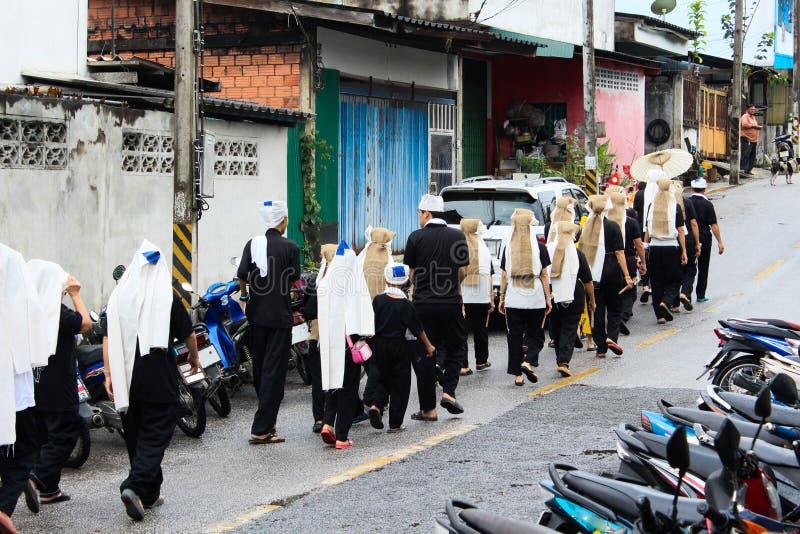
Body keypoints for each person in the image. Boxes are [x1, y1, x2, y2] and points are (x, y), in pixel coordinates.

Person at [102, 241, 200, 521]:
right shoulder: (166, 296)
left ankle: (149, 493)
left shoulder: (120, 294)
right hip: (157, 374)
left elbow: (108, 336)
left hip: (127, 375)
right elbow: (189, 334)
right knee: (157, 433)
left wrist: (109, 374)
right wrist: (193, 359)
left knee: (136, 432)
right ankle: (133, 486)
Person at [237, 200, 300, 445]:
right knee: (274, 372)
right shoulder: (290, 247)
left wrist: (244, 296)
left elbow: (242, 275)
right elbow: (294, 278)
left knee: (262, 368)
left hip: (256, 314)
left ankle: (267, 422)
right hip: (280, 316)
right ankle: (261, 428)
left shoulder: (252, 244)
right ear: (282, 221)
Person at [404, 194, 469, 418]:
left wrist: (422, 283)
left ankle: (428, 409)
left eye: (419, 214)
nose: (419, 218)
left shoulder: (415, 238)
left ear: (426, 213)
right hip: (451, 302)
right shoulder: (458, 235)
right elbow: (463, 271)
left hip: (422, 304)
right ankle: (449, 392)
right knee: (456, 346)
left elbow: (411, 273)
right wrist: (450, 283)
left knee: (425, 352)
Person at [30, 273, 91, 504]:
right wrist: (76, 295)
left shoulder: (30, 310)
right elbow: (85, 323)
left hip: (35, 383)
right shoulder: (56, 312)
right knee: (66, 433)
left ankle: (49, 490)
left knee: (43, 435)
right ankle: (36, 478)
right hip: (59, 384)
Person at [317, 241, 374, 450]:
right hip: (349, 345)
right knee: (349, 389)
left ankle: (327, 424)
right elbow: (363, 314)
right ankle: (342, 437)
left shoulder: (326, 282)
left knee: (333, 384)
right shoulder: (354, 284)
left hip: (329, 343)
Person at [368, 264, 435, 432]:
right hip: (400, 346)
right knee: (400, 383)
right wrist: (428, 345)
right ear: (406, 282)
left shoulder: (378, 300)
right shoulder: (406, 305)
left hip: (379, 344)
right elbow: (417, 329)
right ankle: (395, 423)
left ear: (385, 279)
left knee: (383, 377)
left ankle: (376, 405)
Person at [498, 209, 552, 386]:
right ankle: (528, 361)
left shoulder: (508, 248)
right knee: (534, 332)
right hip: (535, 296)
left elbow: (504, 275)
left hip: (514, 296)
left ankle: (518, 375)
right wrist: (548, 298)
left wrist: (502, 297)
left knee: (514, 335)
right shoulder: (540, 247)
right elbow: (544, 274)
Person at [578, 195, 634, 359]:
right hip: (611, 271)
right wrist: (627, 275)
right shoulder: (612, 226)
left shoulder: (586, 227)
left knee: (595, 309)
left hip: (591, 274)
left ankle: (601, 347)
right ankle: (612, 337)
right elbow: (619, 252)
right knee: (615, 307)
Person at [547, 221, 595, 377]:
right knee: (568, 328)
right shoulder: (577, 254)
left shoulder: (548, 250)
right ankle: (563, 361)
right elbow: (587, 280)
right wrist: (592, 300)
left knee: (556, 327)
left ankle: (560, 358)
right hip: (574, 296)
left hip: (553, 295)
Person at [300, 244, 337, 434]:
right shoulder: (340, 279)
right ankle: (336, 416)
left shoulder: (317, 280)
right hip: (335, 338)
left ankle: (319, 419)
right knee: (336, 378)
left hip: (315, 336)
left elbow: (306, 309)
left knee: (317, 379)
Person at [644, 179, 688, 324]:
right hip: (671, 247)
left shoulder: (652, 206)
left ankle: (660, 316)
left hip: (655, 248)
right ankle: (666, 301)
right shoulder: (675, 206)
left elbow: (647, 231)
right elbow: (681, 230)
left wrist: (645, 248)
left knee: (656, 281)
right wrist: (684, 251)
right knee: (675, 279)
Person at [607, 190, 645, 335]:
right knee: (630, 292)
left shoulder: (604, 223)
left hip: (608, 261)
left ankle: (614, 317)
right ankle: (622, 317)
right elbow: (639, 245)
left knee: (613, 291)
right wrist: (643, 262)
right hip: (627, 259)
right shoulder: (631, 222)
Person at [459, 219, 494, 374]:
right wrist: (492, 297)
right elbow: (490, 274)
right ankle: (481, 360)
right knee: (480, 329)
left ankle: (463, 364)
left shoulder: (459, 246)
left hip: (463, 296)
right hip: (482, 296)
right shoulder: (484, 248)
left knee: (462, 331)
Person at [690, 178, 725, 302]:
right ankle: (700, 295)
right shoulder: (707, 204)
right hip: (704, 238)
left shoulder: (686, 202)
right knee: (703, 267)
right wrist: (720, 242)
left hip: (689, 239)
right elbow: (713, 225)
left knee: (688, 267)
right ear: (705, 189)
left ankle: (685, 293)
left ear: (692, 188)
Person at [675, 183, 701, 311]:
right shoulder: (687, 203)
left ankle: (674, 304)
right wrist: (697, 243)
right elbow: (694, 223)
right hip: (687, 238)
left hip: (671, 241)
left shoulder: (660, 205)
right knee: (690, 268)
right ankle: (684, 293)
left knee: (674, 270)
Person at [740, 104, 762, 174]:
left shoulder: (753, 117)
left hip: (754, 140)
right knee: (746, 154)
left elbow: (753, 126)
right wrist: (754, 126)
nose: (753, 110)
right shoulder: (745, 116)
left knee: (752, 155)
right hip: (746, 138)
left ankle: (748, 170)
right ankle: (742, 169)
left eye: (754, 109)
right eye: (752, 109)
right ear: (748, 110)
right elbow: (744, 124)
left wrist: (757, 127)